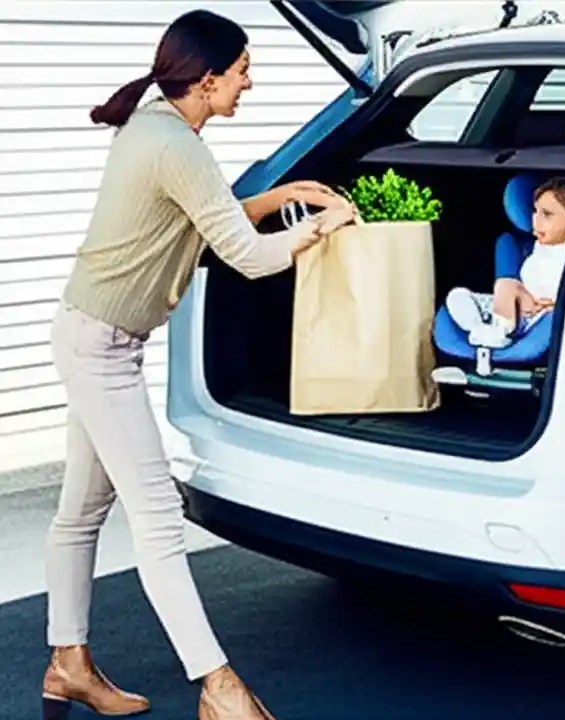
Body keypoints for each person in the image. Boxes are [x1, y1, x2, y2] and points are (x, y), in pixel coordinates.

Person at [40, 10, 355, 720]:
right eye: (243, 71)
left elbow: (200, 218)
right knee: (156, 516)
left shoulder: (156, 126)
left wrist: (282, 198)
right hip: (99, 348)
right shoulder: (176, 145)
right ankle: (219, 687)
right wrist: (318, 227)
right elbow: (248, 255)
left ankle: (69, 667)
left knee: (81, 513)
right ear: (208, 80)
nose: (250, 83)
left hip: (94, 335)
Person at [444, 177, 565, 348]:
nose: (536, 220)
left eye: (547, 214)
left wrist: (557, 305)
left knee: (507, 285)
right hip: (516, 310)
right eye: (535, 211)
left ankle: (500, 330)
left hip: (546, 316)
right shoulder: (534, 247)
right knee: (457, 295)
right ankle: (480, 329)